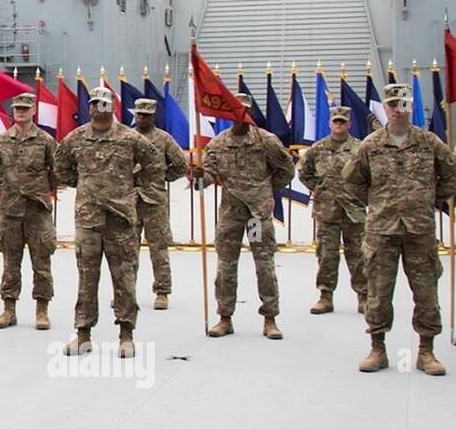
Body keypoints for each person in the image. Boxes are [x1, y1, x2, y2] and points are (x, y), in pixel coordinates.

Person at [343, 83, 456, 375]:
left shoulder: (428, 142)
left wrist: (429, 197)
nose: (397, 109)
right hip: (382, 229)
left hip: (420, 230)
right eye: (392, 103)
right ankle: (377, 349)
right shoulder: (370, 144)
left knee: (426, 291)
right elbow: (352, 181)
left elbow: (451, 174)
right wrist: (377, 202)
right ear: (386, 107)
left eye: (403, 103)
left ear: (410, 107)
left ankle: (426, 351)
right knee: (379, 291)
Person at [54, 86, 163, 357]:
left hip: (121, 220)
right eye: (94, 104)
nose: (98, 108)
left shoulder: (130, 138)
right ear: (89, 108)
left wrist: (136, 191)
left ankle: (126, 335)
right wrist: (85, 187)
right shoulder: (75, 138)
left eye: (104, 103)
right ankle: (82, 334)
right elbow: (61, 168)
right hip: (88, 220)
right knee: (86, 280)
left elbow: (155, 165)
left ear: (112, 106)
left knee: (124, 280)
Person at [190, 92, 295, 339]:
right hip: (231, 214)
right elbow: (207, 177)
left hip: (257, 215)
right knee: (226, 266)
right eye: (237, 111)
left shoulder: (265, 140)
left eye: (246, 111)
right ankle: (224, 317)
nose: (242, 116)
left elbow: (286, 169)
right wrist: (197, 177)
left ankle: (270, 318)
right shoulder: (218, 144)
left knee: (264, 264)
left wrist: (266, 190)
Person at [0, 93, 57, 330]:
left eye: (25, 108)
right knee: (10, 263)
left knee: (41, 262)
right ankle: (9, 309)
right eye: (17, 109)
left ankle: (42, 309)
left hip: (37, 211)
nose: (20, 112)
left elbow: (57, 170)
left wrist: (43, 189)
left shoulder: (45, 140)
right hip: (11, 210)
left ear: (33, 110)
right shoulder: (2, 141)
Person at [297, 105, 368, 315]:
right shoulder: (318, 148)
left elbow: (369, 175)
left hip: (354, 211)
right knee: (327, 255)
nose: (339, 124)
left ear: (349, 124)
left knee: (358, 255)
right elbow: (304, 172)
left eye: (343, 121)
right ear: (330, 123)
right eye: (336, 121)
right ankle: (325, 296)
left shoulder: (360, 148)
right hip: (327, 211)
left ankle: (364, 296)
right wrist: (319, 188)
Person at [130, 97, 188, 310]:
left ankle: (162, 291)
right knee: (127, 249)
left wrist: (162, 177)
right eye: (139, 114)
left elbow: (181, 166)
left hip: (155, 201)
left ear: (154, 116)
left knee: (159, 249)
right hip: (129, 201)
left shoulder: (164, 139)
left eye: (146, 115)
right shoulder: (125, 136)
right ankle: (126, 291)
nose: (141, 118)